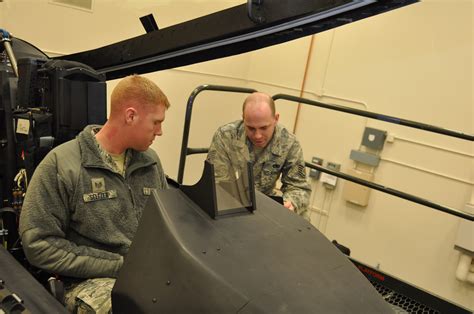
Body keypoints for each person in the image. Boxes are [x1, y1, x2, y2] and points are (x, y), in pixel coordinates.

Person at [19, 74, 170, 313]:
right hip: (87, 280)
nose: (160, 131)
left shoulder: (150, 163)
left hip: (147, 273)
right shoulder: (63, 164)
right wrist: (118, 266)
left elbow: (165, 224)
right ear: (130, 116)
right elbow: (39, 244)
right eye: (156, 122)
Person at [207, 92, 311, 216]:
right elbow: (215, 182)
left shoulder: (289, 143)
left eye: (263, 128)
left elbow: (299, 187)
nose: (257, 135)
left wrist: (291, 203)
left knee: (302, 218)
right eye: (250, 128)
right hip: (232, 202)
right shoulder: (226, 136)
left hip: (265, 204)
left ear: (276, 119)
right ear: (243, 118)